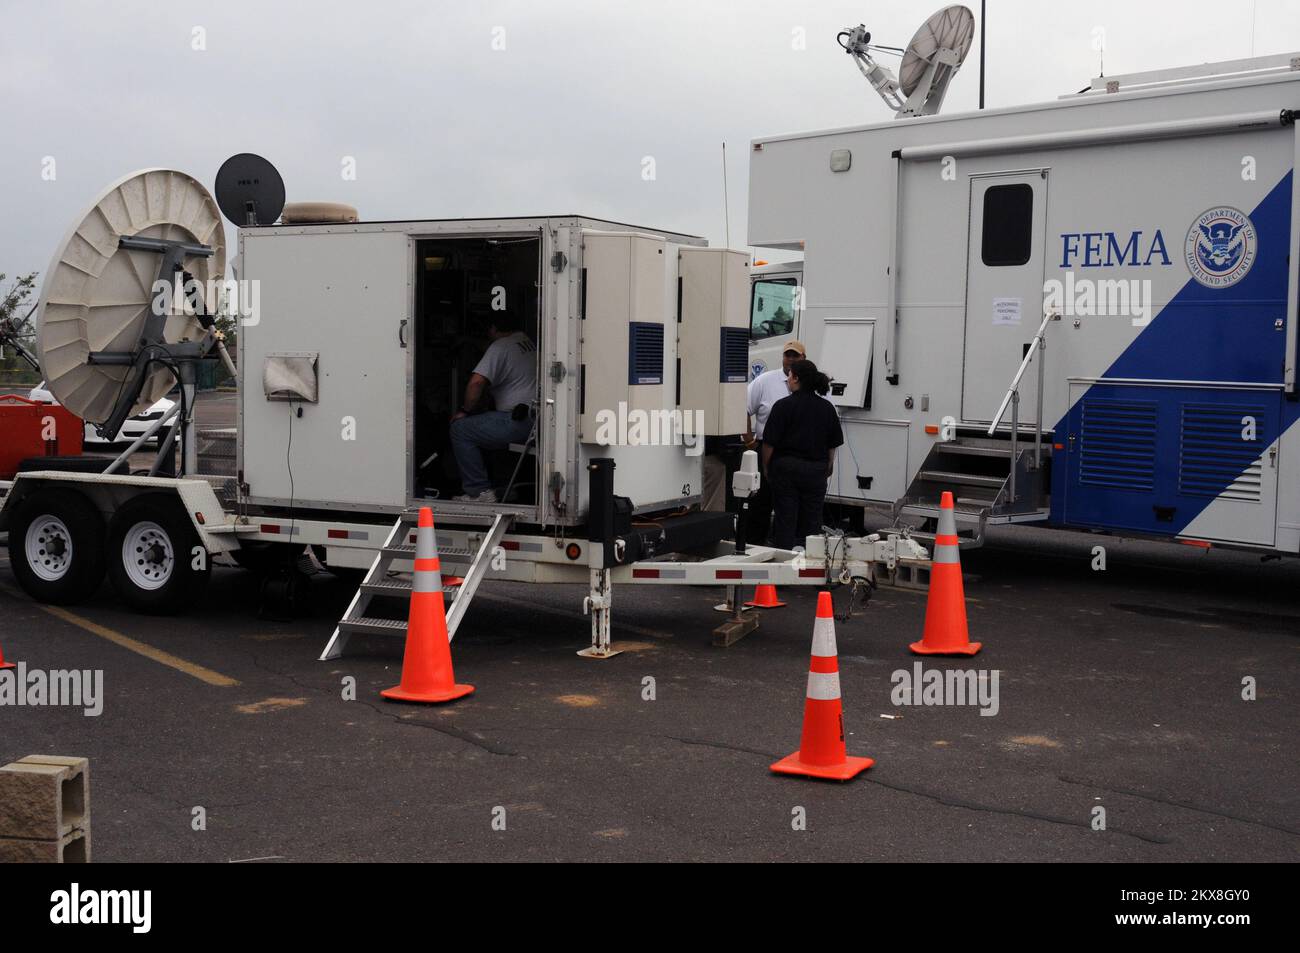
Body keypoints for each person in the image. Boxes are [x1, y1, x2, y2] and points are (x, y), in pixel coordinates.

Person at [450, 312, 537, 503]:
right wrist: (468, 341)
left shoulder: (500, 346)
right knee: (488, 422)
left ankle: (478, 492)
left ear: (492, 329)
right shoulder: (526, 342)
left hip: (518, 422)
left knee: (460, 429)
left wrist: (464, 411)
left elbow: (476, 383)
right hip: (535, 420)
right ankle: (504, 487)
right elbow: (494, 352)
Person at [761, 359, 843, 551]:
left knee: (785, 520)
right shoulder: (826, 408)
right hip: (816, 470)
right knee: (812, 522)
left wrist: (767, 467)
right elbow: (832, 445)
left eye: (789, 376)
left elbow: (768, 444)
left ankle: (784, 567)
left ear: (796, 378)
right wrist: (828, 466)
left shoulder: (783, 406)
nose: (787, 380)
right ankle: (809, 566)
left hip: (786, 470)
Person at [742, 340, 805, 543]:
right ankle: (754, 546)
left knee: (789, 509)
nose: (791, 359)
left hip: (797, 454)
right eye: (788, 355)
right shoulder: (764, 381)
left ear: (803, 358)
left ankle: (785, 547)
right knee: (760, 504)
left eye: (796, 355)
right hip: (766, 450)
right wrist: (750, 442)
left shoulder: (811, 384)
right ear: (783, 357)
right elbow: (742, 409)